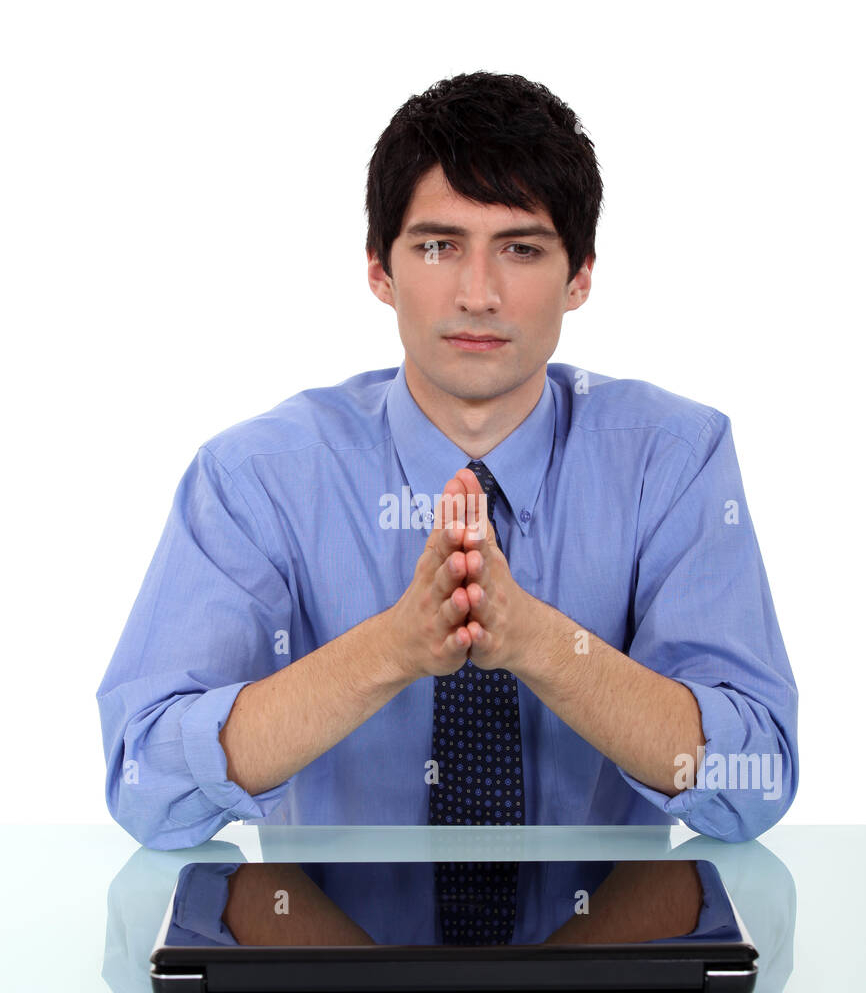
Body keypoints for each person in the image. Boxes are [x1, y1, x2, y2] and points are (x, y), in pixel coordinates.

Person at [96, 70, 798, 851]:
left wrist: (536, 641)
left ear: (581, 277)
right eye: (438, 246)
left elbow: (757, 777)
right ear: (379, 271)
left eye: (521, 249)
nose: (478, 293)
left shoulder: (675, 460)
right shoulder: (255, 477)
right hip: (335, 965)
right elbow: (146, 783)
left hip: (610, 968)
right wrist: (392, 648)